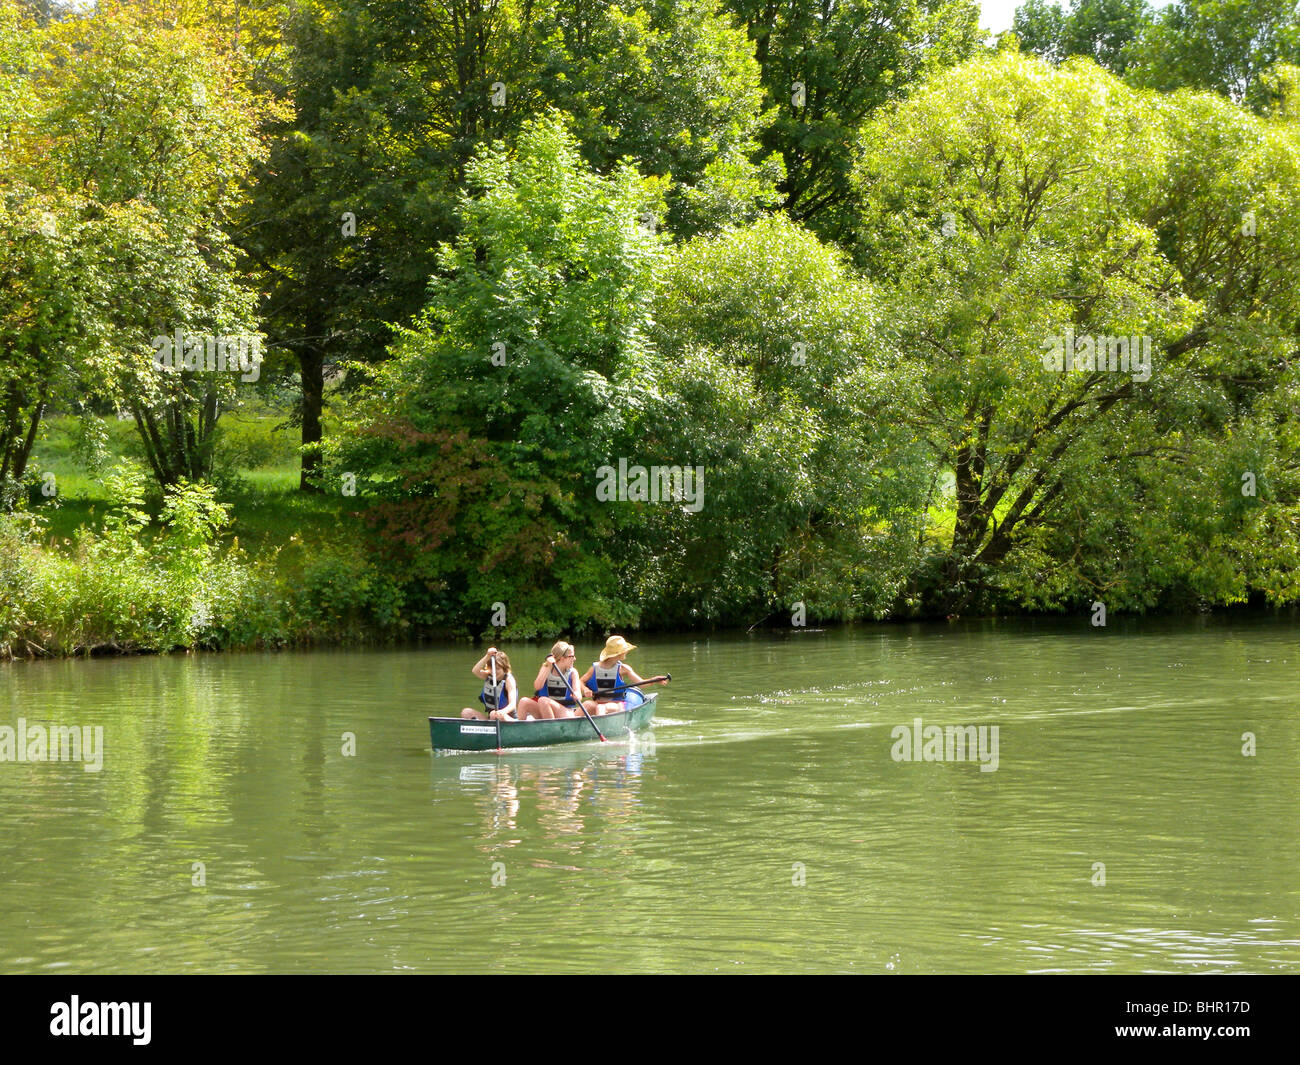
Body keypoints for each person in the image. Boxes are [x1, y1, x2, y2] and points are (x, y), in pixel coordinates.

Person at [517, 641, 596, 720]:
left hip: (565, 711)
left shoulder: (573, 672)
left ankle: (551, 728)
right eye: (572, 656)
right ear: (562, 658)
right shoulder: (546, 668)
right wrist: (548, 667)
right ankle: (520, 729)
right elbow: (537, 686)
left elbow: (578, 695)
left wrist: (576, 695)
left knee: (543, 701)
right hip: (544, 709)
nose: (575, 659)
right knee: (524, 701)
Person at [580, 635, 649, 714]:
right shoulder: (595, 668)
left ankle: (601, 725)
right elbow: (580, 681)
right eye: (624, 650)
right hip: (598, 703)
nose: (626, 652)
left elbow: (642, 684)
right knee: (586, 704)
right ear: (619, 653)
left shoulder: (623, 668)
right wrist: (585, 689)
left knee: (601, 707)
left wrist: (655, 680)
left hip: (617, 705)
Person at [460, 648, 518, 721]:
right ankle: (483, 728)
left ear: (504, 668)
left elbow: (512, 704)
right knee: (466, 712)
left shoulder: (509, 680)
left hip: (508, 718)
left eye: (498, 669)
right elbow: (475, 671)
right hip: (492, 718)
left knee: (493, 714)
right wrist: (487, 656)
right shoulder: (489, 675)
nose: (494, 672)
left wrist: (502, 712)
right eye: (492, 668)